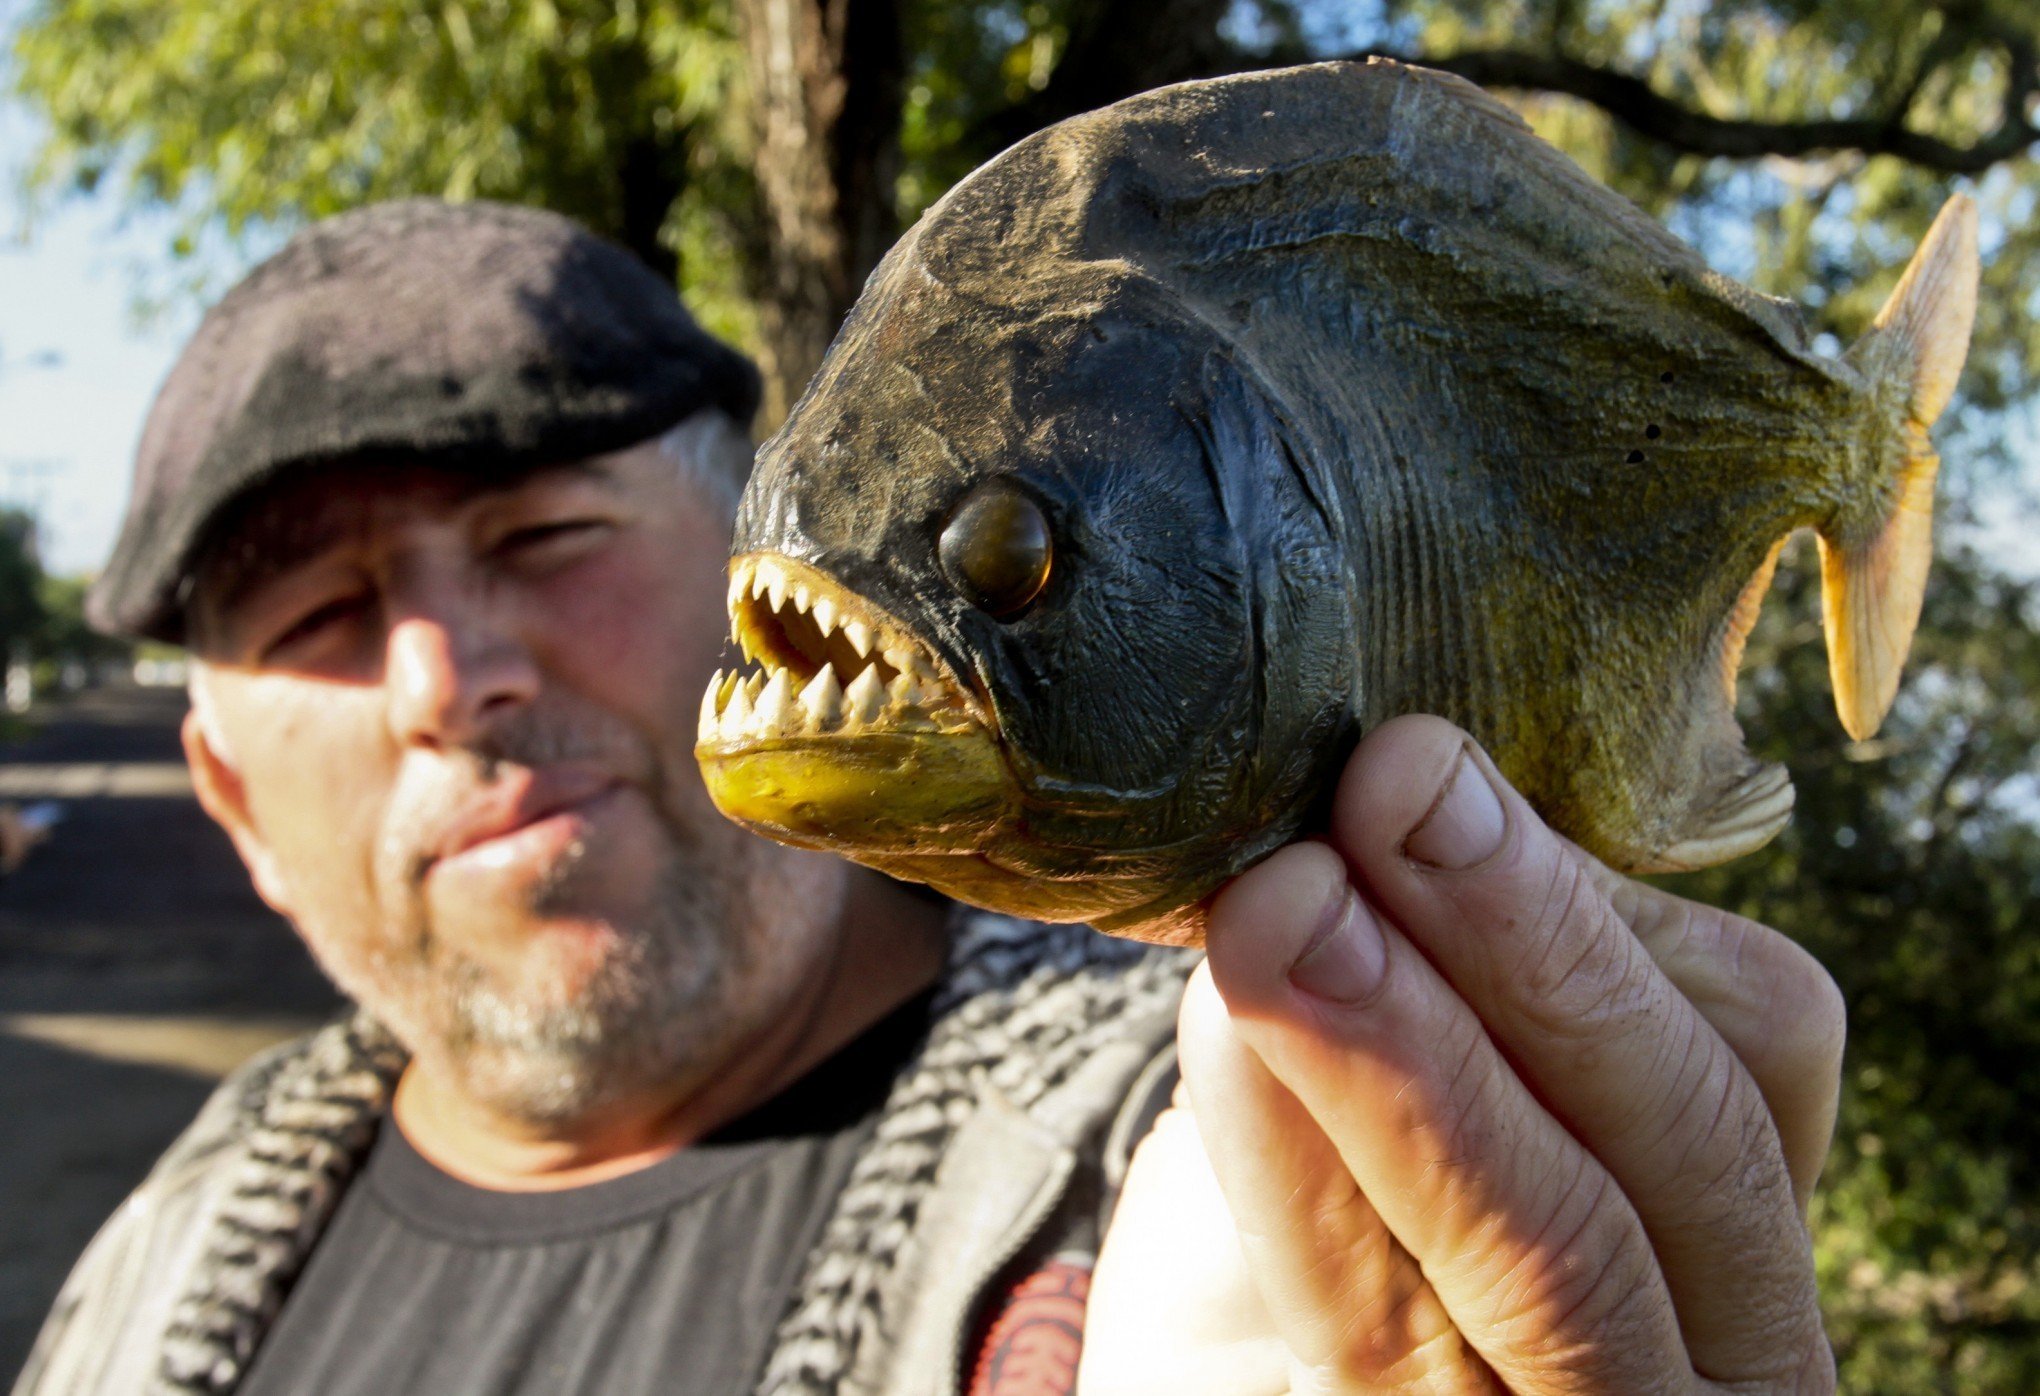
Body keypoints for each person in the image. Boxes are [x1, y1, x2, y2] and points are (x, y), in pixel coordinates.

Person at [17, 199, 1843, 1396]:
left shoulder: (1242, 1140)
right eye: (328, 615)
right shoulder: (140, 1278)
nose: (449, 676)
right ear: (231, 803)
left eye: (545, 536)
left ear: (749, 543)